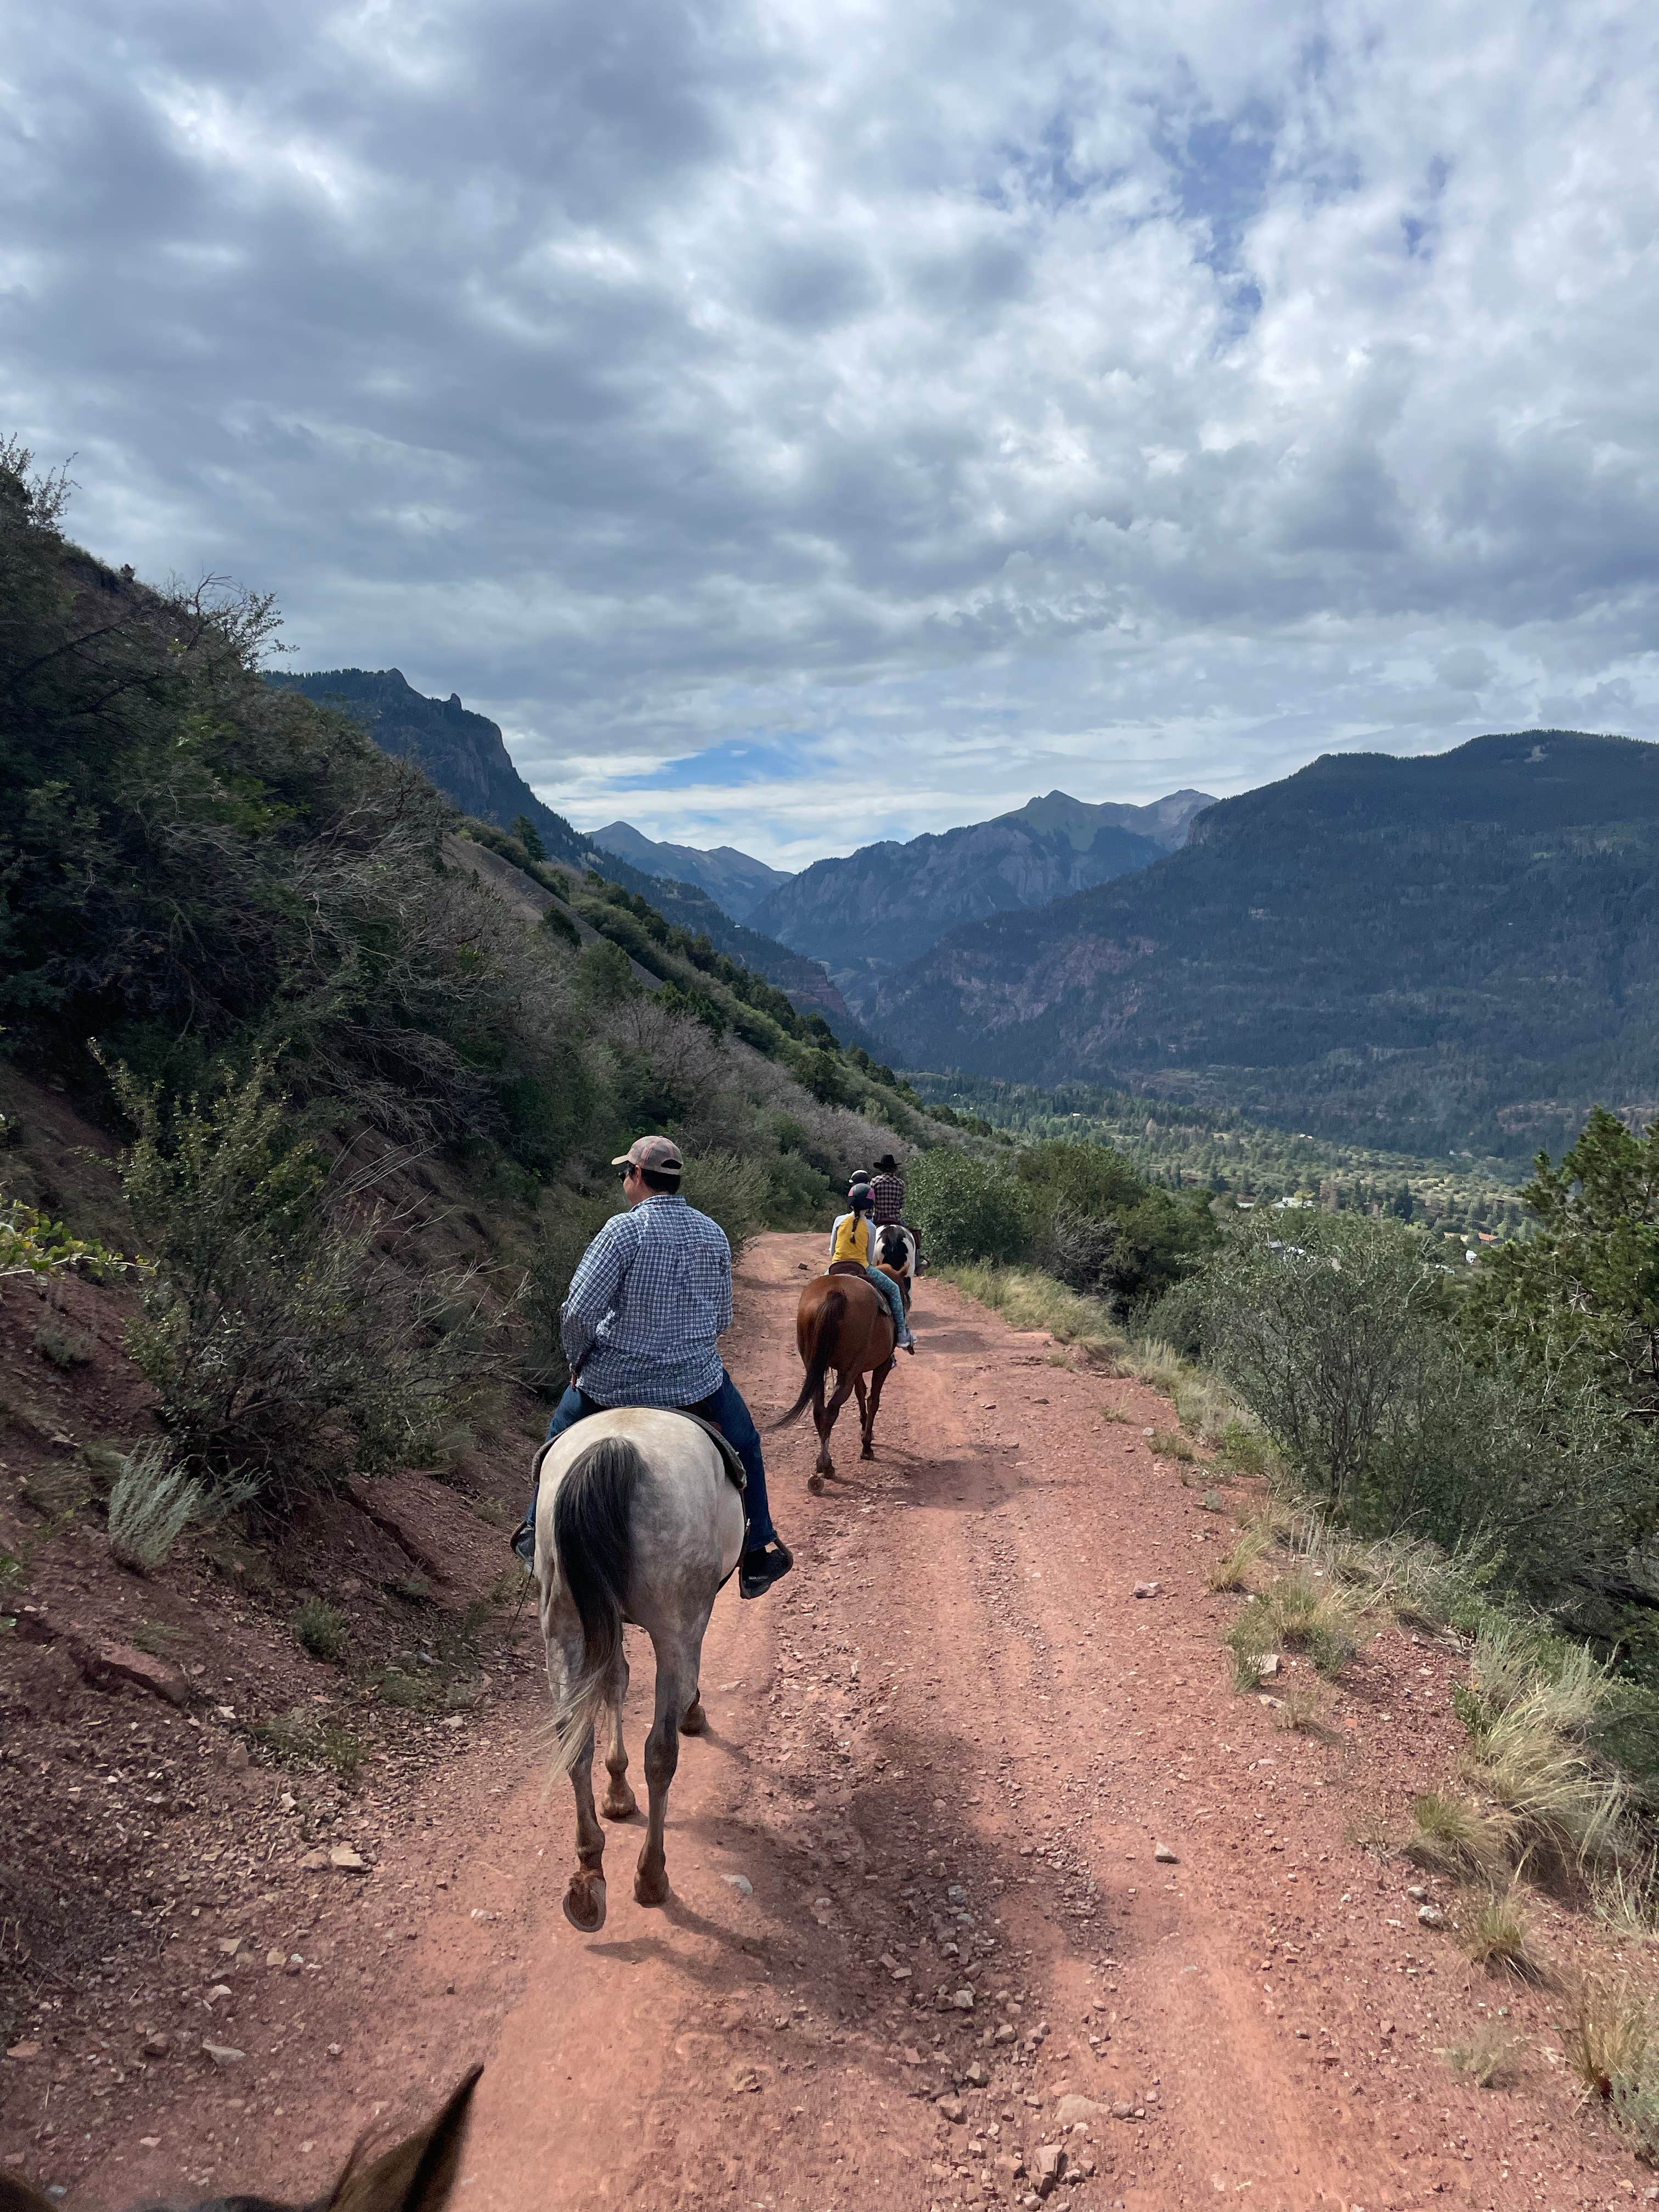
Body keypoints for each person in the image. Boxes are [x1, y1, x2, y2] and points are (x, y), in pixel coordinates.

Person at [511, 1135, 792, 1600]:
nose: (624, 1180)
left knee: (559, 1431)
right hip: (694, 1383)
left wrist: (577, 1360)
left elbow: (578, 1312)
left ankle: (533, 1526)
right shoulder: (713, 1233)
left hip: (612, 1382)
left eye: (625, 1172)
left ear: (639, 1177)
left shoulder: (623, 1231)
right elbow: (723, 1316)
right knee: (745, 1443)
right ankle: (759, 1545)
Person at [827, 1181, 915, 1353]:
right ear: (870, 1205)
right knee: (894, 1290)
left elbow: (832, 1251)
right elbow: (869, 1258)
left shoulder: (838, 1220)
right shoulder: (870, 1226)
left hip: (835, 1267)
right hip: (861, 1268)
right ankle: (902, 1334)